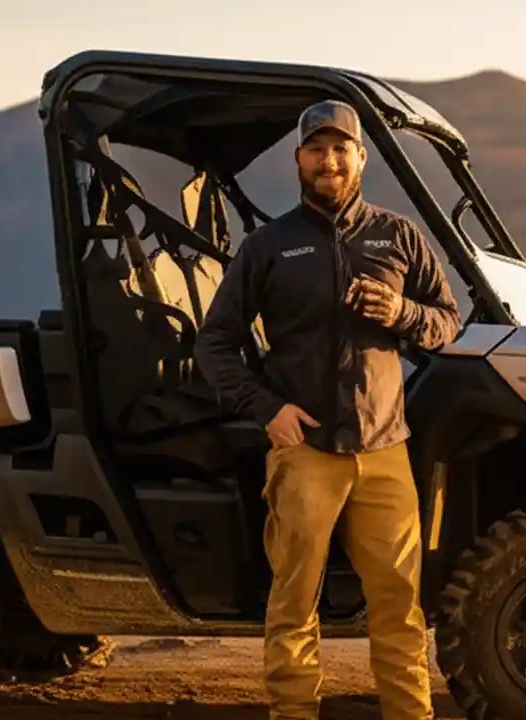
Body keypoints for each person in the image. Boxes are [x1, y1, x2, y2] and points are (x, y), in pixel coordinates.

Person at [194, 99, 461, 720]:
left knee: (399, 607)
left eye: (341, 148)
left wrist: (401, 314)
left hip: (384, 451)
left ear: (361, 158)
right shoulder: (268, 246)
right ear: (298, 160)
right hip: (304, 452)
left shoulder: (397, 236)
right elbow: (215, 344)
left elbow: (447, 323)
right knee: (293, 603)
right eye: (317, 149)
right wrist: (266, 410)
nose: (329, 160)